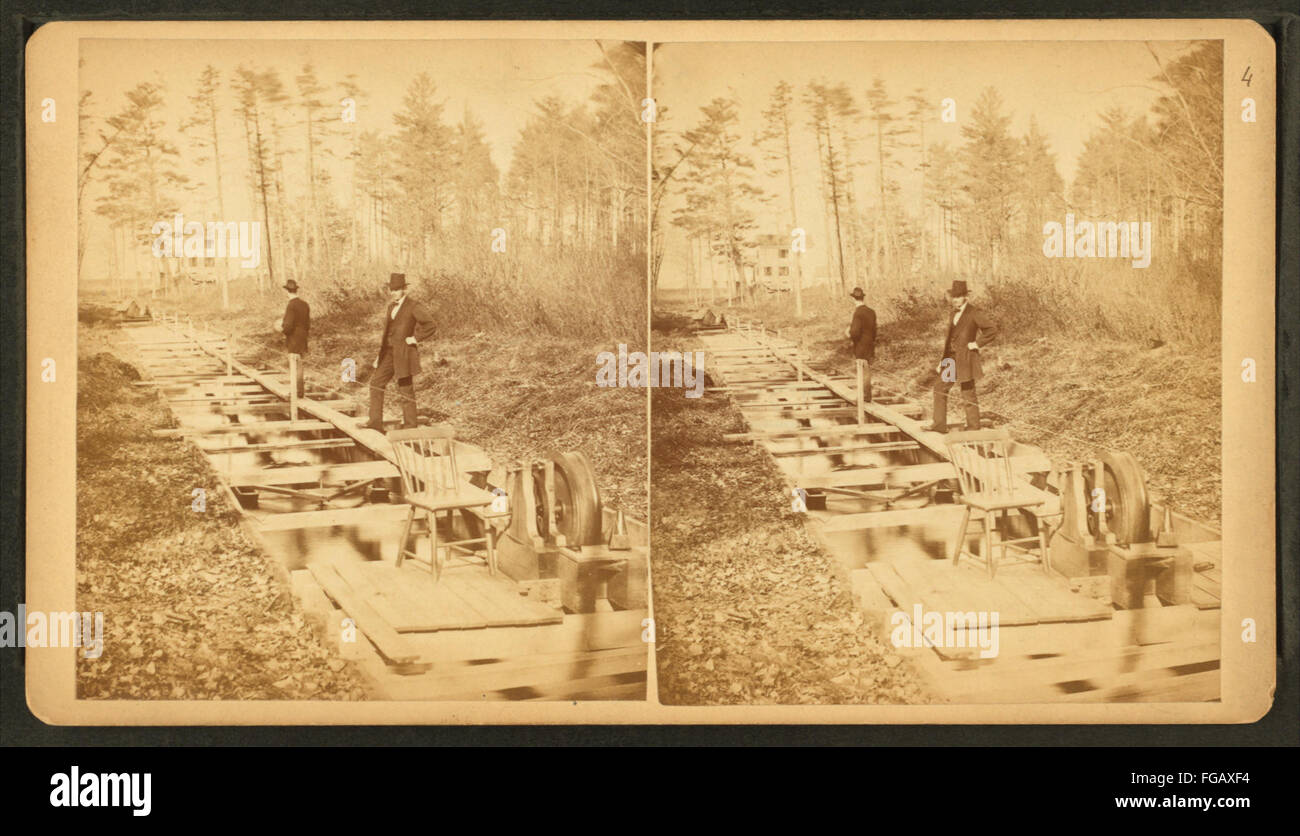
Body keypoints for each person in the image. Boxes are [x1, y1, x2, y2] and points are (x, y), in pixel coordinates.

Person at [359, 272, 436, 431]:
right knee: (376, 383)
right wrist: (378, 357)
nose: (393, 292)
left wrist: (415, 339)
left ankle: (410, 426)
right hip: (388, 353)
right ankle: (375, 423)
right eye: (391, 289)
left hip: (404, 353)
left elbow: (430, 325)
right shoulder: (390, 307)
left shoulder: (413, 306)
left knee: (405, 388)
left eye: (397, 289)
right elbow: (387, 333)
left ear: (404, 290)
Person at [926, 279, 997, 433]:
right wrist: (942, 361)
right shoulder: (952, 313)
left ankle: (973, 428)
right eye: (954, 296)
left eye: (958, 296)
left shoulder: (974, 312)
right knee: (940, 387)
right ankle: (939, 425)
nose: (955, 300)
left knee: (967, 392)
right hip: (951, 359)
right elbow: (949, 339)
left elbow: (991, 329)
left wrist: (976, 344)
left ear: (966, 297)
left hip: (965, 358)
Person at [276, 279, 309, 398]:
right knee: (300, 365)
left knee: (295, 366)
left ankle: (297, 392)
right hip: (303, 337)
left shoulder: (291, 305)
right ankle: (299, 391)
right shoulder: (305, 304)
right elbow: (307, 324)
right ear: (296, 290)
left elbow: (288, 325)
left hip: (294, 339)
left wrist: (281, 329)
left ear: (287, 292)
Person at [846, 286, 876, 405]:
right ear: (863, 298)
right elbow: (874, 331)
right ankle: (867, 395)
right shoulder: (871, 312)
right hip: (870, 344)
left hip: (861, 345)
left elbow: (855, 332)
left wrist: (848, 333)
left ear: (854, 299)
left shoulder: (858, 313)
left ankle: (865, 396)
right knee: (867, 369)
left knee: (862, 371)